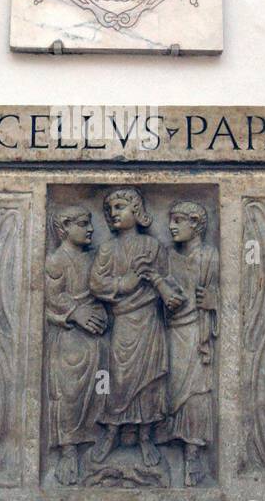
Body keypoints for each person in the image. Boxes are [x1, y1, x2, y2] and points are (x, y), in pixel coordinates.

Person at [89, 188, 182, 466]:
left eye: (121, 207)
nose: (114, 213)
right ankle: (111, 433)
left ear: (137, 211)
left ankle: (145, 438)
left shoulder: (154, 247)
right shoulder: (108, 248)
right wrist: (124, 283)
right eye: (111, 210)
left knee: (150, 382)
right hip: (124, 323)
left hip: (150, 322)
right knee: (118, 380)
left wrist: (154, 281)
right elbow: (96, 283)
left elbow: (170, 283)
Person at [44, 205, 107, 484]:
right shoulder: (57, 261)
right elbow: (50, 299)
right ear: (64, 229)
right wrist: (75, 313)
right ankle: (68, 451)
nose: (90, 229)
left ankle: (94, 450)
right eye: (83, 224)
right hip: (70, 340)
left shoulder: (95, 258)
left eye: (90, 223)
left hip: (96, 338)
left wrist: (103, 313)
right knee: (69, 393)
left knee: (97, 392)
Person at [158, 201, 218, 485]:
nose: (171, 226)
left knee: (196, 393)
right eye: (170, 220)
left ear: (195, 224)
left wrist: (214, 302)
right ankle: (169, 449)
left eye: (178, 220)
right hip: (171, 333)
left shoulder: (210, 257)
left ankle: (193, 457)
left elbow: (243, 300)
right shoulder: (168, 257)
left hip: (197, 333)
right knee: (170, 391)